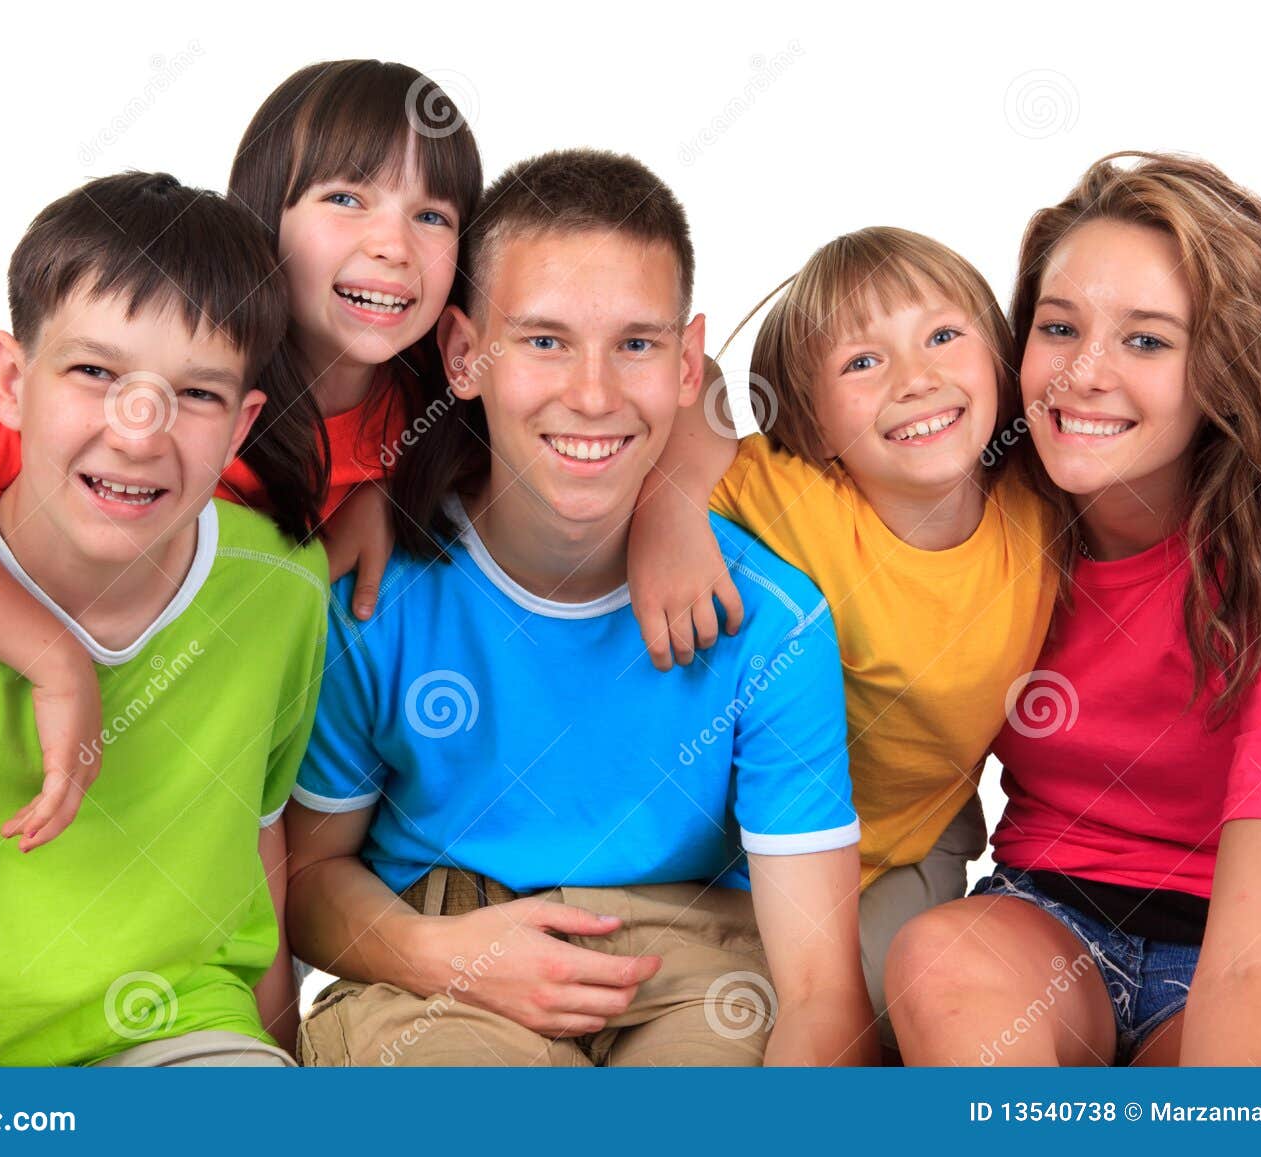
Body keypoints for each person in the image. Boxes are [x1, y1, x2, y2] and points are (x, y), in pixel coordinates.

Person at [284, 149, 876, 1067]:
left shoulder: (772, 622)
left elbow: (817, 990)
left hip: (695, 964)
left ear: (687, 364)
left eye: (636, 344)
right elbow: (310, 873)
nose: (593, 395)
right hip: (437, 950)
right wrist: (450, 959)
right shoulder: (374, 592)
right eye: (545, 340)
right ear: (465, 355)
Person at [0, 172, 329, 1067]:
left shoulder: (280, 584)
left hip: (179, 1033)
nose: (138, 431)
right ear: (10, 379)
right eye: (94, 371)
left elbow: (257, 844)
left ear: (241, 428)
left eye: (197, 395)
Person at [885, 152, 1261, 1067]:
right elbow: (776, 438)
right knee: (937, 954)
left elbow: (1248, 971)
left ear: (1227, 373)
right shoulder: (978, 521)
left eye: (1148, 340)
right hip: (1048, 920)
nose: (1083, 373)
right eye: (1059, 325)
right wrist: (676, 511)